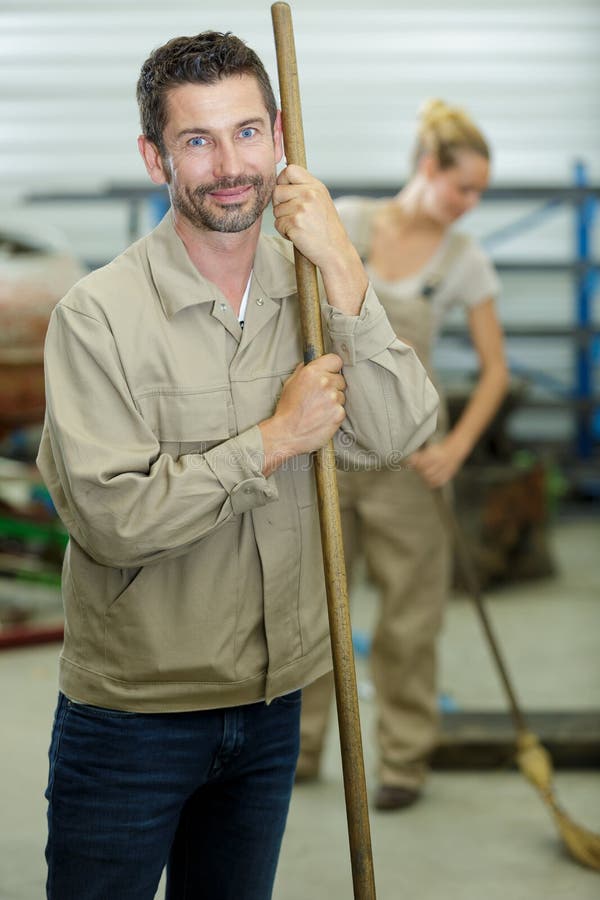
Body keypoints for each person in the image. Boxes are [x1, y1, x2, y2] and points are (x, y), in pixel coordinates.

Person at [36, 31, 438, 900]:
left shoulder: (311, 287)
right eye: (197, 139)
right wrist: (274, 440)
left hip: (271, 707)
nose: (230, 165)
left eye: (248, 133)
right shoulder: (96, 317)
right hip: (134, 716)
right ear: (155, 157)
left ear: (281, 135)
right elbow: (111, 522)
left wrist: (340, 261)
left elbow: (400, 430)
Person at [297, 99, 509, 811]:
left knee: (410, 619)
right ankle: (298, 751)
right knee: (317, 604)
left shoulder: (463, 259)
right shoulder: (348, 222)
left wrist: (454, 447)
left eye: (479, 192)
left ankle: (404, 761)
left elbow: (495, 371)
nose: (470, 204)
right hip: (326, 441)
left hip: (411, 460)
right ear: (428, 168)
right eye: (463, 187)